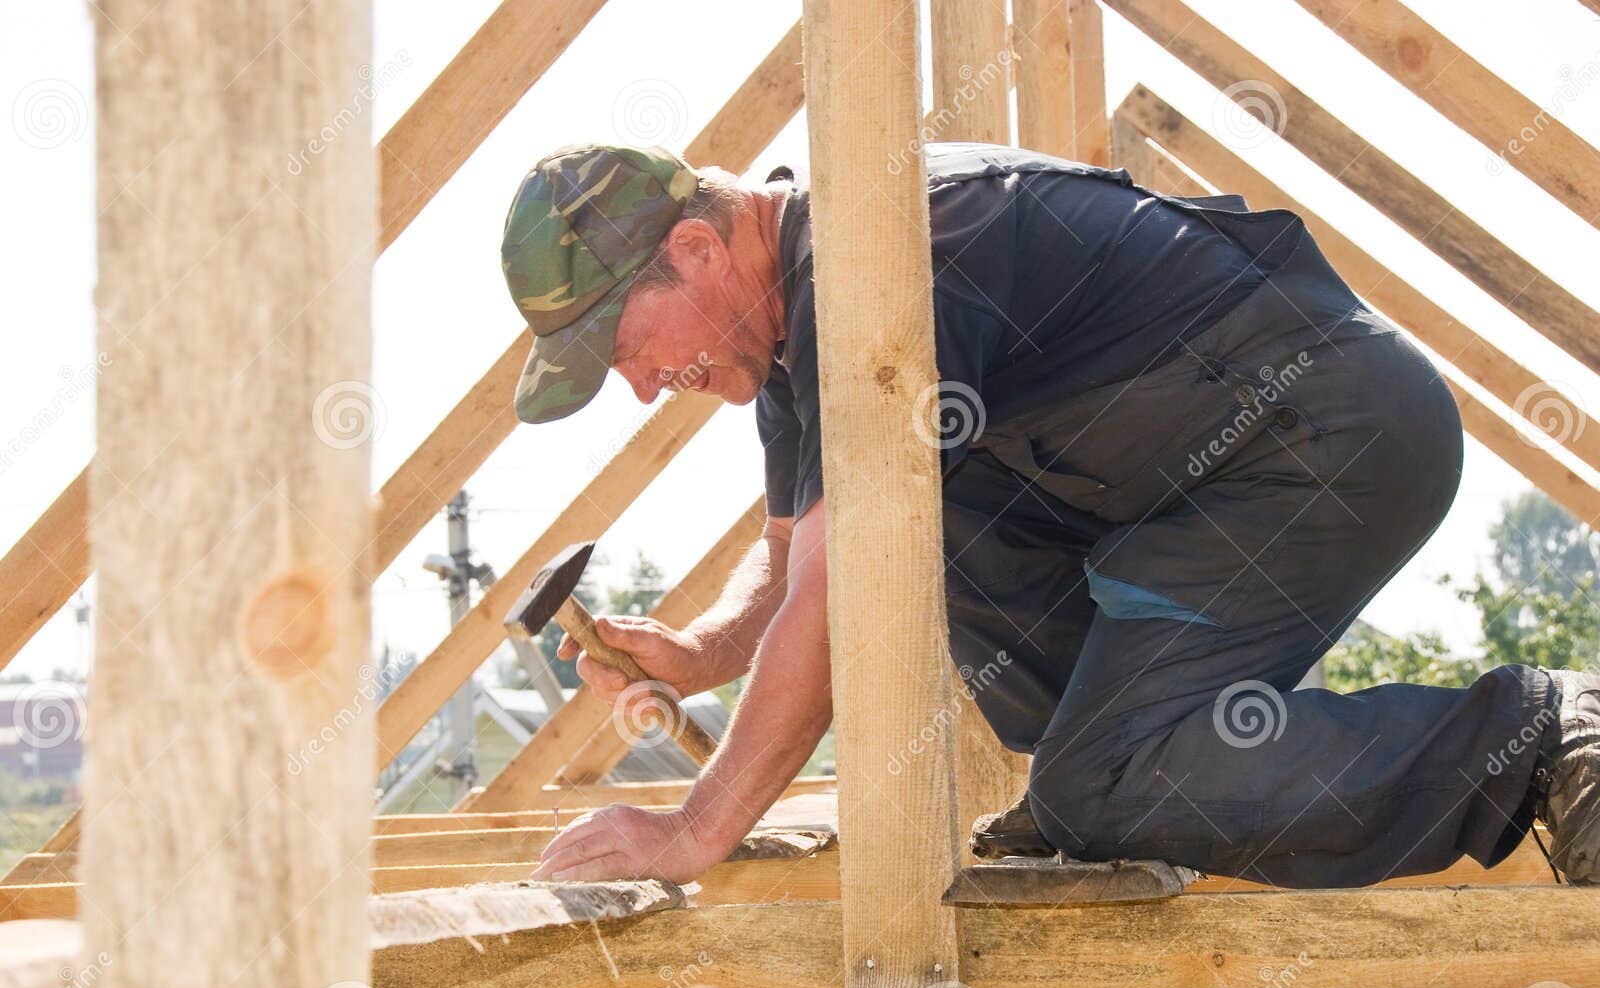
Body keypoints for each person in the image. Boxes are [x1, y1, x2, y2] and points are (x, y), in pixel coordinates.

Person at [497, 141, 1599, 889]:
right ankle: (1105, 782)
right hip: (1199, 484)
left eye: (630, 350)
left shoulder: (877, 263)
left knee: (1098, 772)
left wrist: (695, 827)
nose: (644, 388)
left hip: (1319, 432)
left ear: (696, 252)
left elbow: (841, 595)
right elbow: (797, 554)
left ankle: (1541, 741)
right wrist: (701, 651)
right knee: (908, 511)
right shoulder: (791, 333)